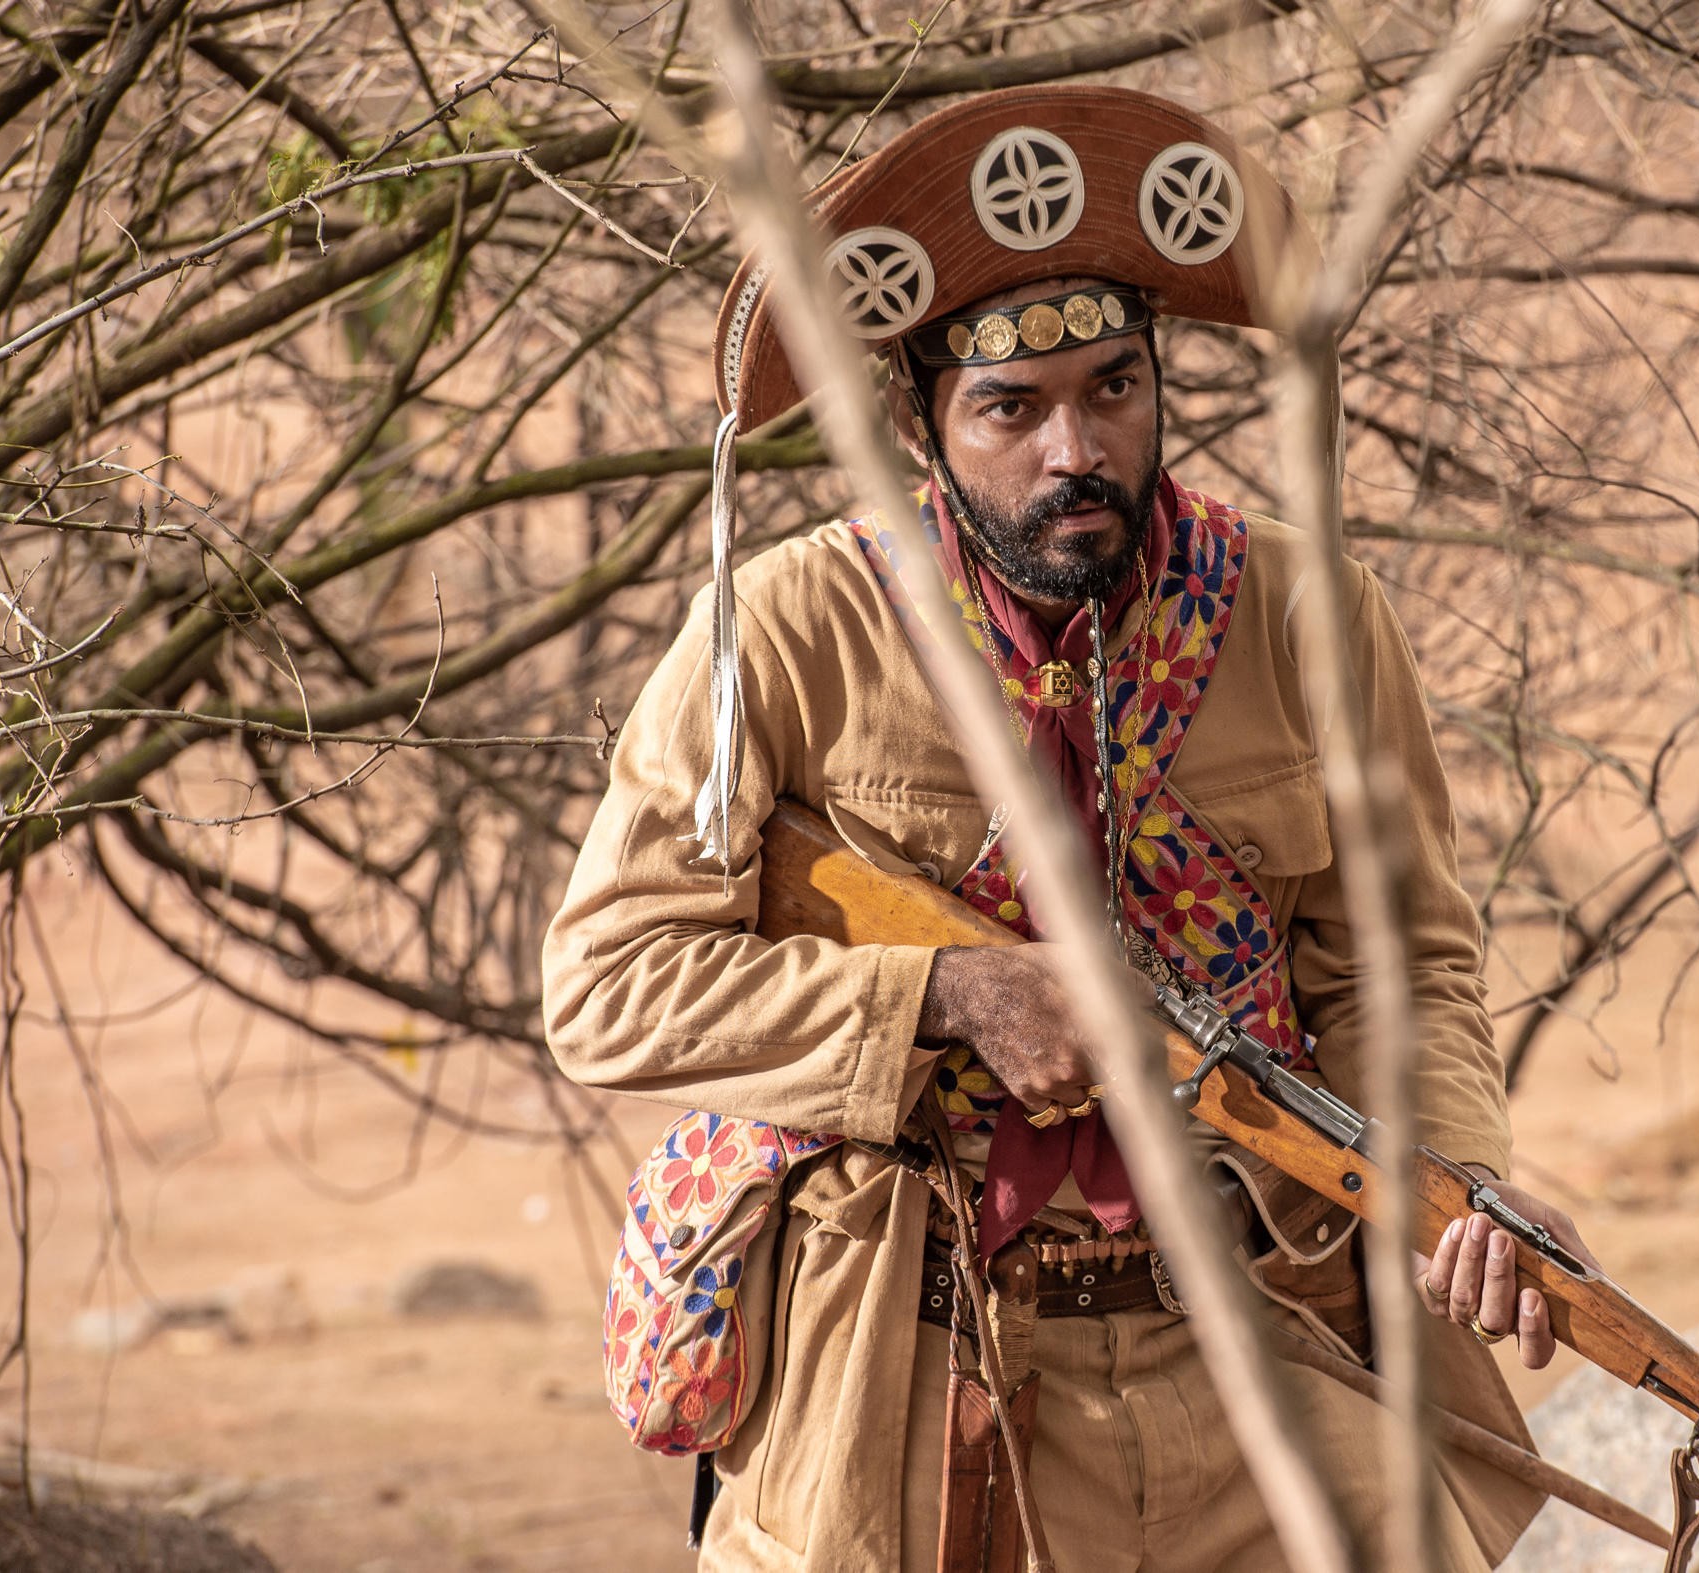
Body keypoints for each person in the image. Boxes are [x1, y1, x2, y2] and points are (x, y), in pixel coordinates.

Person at [542, 83, 1596, 1572]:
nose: (1075, 450)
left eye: (1113, 388)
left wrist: (1457, 1181)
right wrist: (943, 993)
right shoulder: (786, 626)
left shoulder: (1306, 613)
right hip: (905, 1354)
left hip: (1254, 1326)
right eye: (1011, 407)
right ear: (917, 425)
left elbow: (1399, 964)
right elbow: (609, 985)